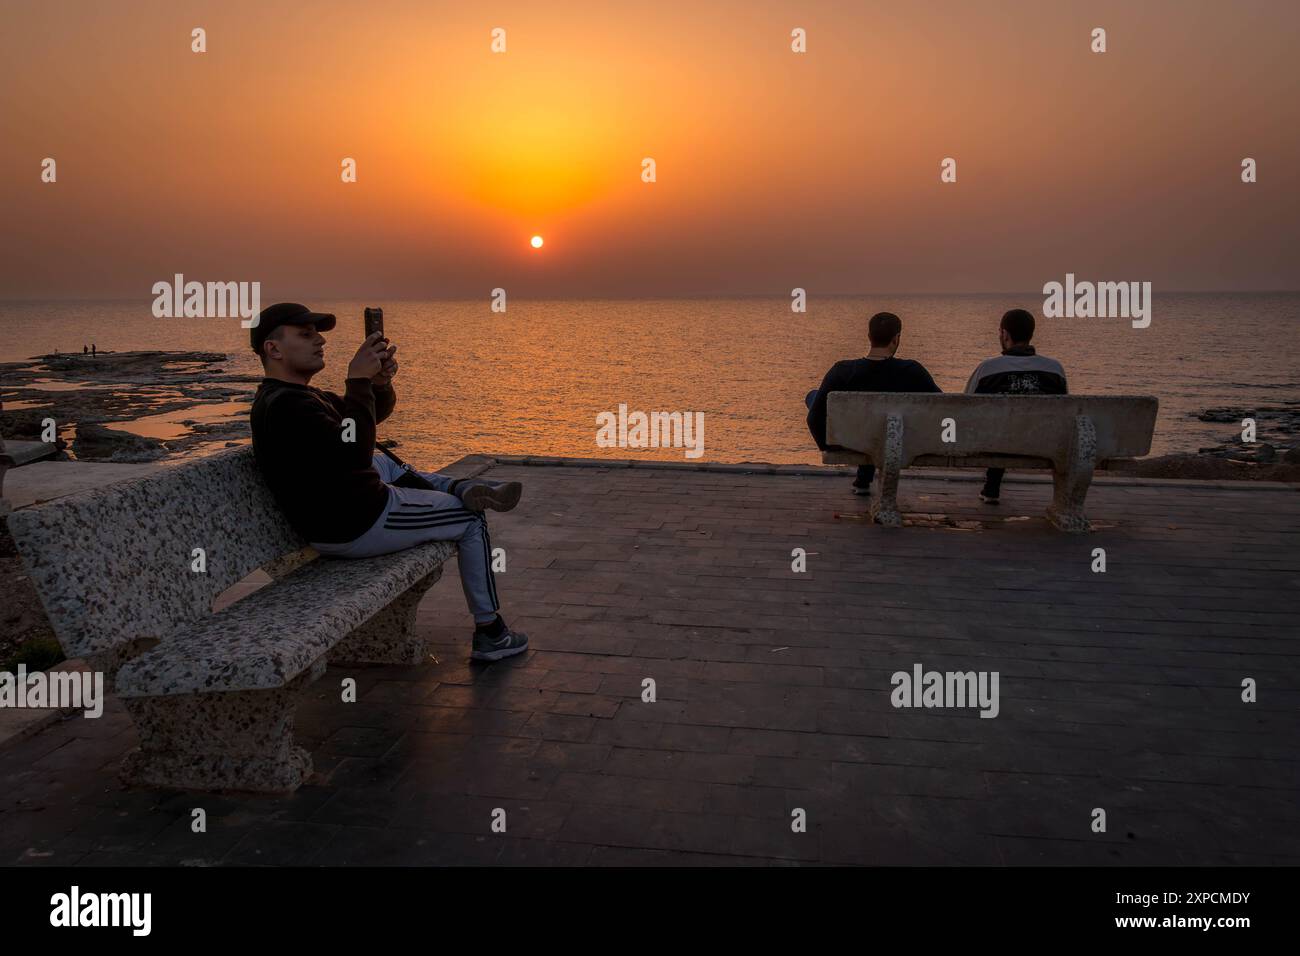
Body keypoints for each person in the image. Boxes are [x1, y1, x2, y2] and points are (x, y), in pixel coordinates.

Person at [248, 302, 528, 661]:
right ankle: (491, 633)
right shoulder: (287, 406)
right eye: (305, 335)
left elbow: (369, 417)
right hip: (357, 522)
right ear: (273, 349)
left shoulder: (298, 396)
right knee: (470, 521)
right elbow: (354, 451)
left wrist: (378, 385)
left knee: (386, 463)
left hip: (345, 508)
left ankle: (460, 488)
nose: (319, 341)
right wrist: (358, 380)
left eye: (318, 334)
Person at [806, 311, 941, 495]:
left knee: (813, 396)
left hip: (853, 441)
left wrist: (829, 447)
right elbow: (940, 408)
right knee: (880, 420)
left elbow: (814, 418)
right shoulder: (912, 371)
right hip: (897, 440)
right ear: (896, 339)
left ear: (869, 337)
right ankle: (863, 479)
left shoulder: (842, 371)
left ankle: (863, 479)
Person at [964, 308, 1068, 504]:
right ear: (1031, 334)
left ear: (1004, 334)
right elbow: (1064, 408)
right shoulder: (1055, 369)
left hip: (997, 442)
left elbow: (966, 407)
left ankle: (991, 488)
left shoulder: (988, 369)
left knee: (1002, 428)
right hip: (1043, 442)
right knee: (1012, 427)